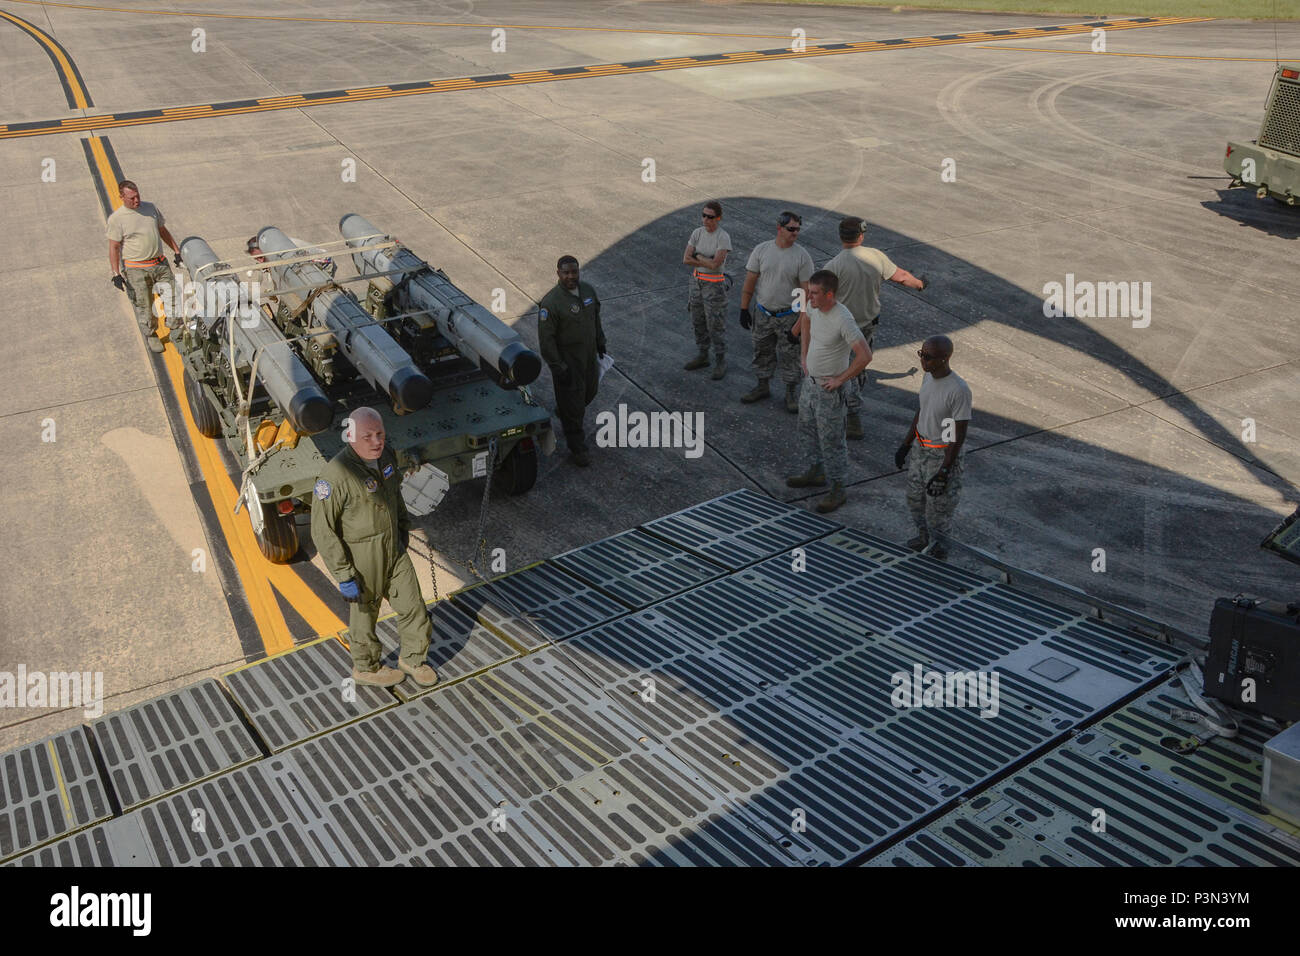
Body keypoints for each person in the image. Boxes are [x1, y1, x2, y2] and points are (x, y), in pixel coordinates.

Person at [311, 406, 437, 687]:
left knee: (413, 605)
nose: (376, 441)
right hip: (362, 557)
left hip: (393, 548)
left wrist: (403, 527)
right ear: (351, 437)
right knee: (365, 615)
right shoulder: (334, 477)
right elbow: (322, 531)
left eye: (379, 434)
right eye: (367, 436)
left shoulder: (386, 457)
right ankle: (366, 667)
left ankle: (413, 659)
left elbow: (395, 496)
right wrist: (344, 574)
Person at [824, 216, 927, 440]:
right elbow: (901, 277)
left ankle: (843, 415)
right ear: (861, 236)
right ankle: (852, 415)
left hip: (841, 329)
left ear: (841, 237)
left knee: (841, 370)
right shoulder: (876, 257)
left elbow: (822, 299)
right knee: (857, 370)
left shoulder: (833, 266)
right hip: (866, 327)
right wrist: (920, 284)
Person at [786, 271, 871, 513]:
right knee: (807, 430)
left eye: (814, 293)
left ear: (829, 295)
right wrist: (804, 354)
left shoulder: (843, 318)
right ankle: (815, 471)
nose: (808, 296)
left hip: (829, 390)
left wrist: (840, 380)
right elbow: (805, 320)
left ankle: (837, 488)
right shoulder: (813, 307)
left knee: (832, 440)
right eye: (809, 291)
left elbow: (865, 356)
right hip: (810, 384)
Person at [895, 336, 971, 561]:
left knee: (938, 511)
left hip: (941, 455)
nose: (923, 361)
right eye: (921, 354)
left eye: (928, 357)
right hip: (921, 449)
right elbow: (922, 411)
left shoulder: (958, 390)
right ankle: (923, 539)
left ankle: (938, 554)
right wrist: (906, 444)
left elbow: (957, 434)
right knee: (914, 500)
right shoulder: (928, 378)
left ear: (944, 359)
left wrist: (946, 470)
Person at [738, 211, 814, 412]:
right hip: (763, 314)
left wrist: (800, 323)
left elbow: (806, 292)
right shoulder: (761, 250)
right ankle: (762, 386)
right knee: (761, 352)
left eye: (798, 229)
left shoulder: (802, 256)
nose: (795, 233)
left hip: (788, 315)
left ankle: (790, 394)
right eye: (791, 229)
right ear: (779, 228)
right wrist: (744, 308)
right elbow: (750, 281)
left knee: (790, 356)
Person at [538, 255, 605, 467]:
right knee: (574, 405)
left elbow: (596, 318)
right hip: (568, 361)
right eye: (566, 272)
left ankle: (565, 411)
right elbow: (546, 340)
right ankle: (578, 447)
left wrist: (600, 341)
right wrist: (558, 367)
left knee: (590, 391)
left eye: (574, 272)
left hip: (589, 356)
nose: (570, 276)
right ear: (558, 273)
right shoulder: (551, 303)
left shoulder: (587, 291)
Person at [107, 180, 182, 354]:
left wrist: (176, 251)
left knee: (173, 297)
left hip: (159, 264)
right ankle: (151, 334)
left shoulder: (151, 209)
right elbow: (114, 247)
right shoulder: (117, 219)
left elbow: (162, 231)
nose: (136, 200)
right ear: (122, 197)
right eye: (132, 198)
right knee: (145, 305)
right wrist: (115, 273)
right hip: (136, 269)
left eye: (138, 196)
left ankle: (175, 328)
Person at [682, 200, 732, 380]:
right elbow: (686, 259)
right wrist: (705, 260)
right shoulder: (697, 233)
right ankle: (703, 355)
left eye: (710, 217)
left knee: (715, 324)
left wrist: (699, 256)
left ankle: (720, 360)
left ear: (718, 218)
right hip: (696, 283)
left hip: (714, 286)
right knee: (698, 320)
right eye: (703, 215)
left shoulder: (723, 237)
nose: (705, 220)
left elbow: (715, 264)